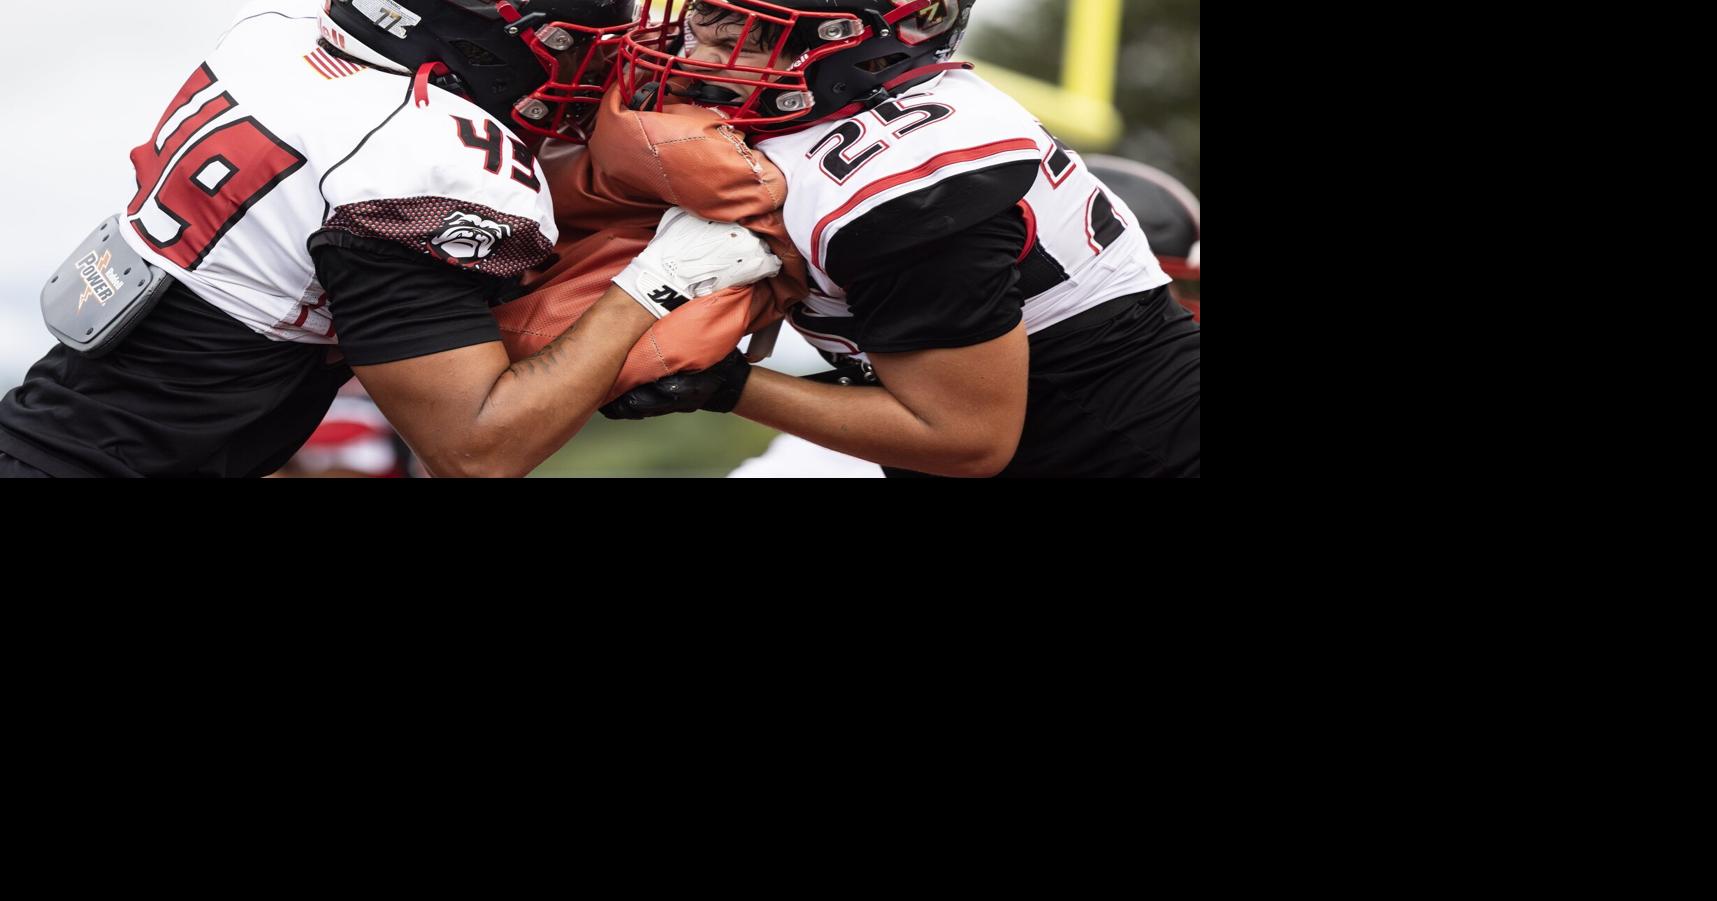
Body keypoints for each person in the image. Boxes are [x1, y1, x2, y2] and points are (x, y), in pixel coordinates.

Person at [0, 0, 776, 478]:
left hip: (48, 426)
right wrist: (658, 279)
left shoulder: (275, 36)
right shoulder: (422, 156)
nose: (603, 55)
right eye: (584, 39)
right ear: (486, 39)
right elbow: (477, 452)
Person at [602, 0, 1200, 478]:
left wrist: (724, 386)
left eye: (739, 38)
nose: (693, 58)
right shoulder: (871, 120)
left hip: (1128, 450)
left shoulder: (903, 187)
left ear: (847, 44)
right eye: (701, 25)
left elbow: (966, 441)